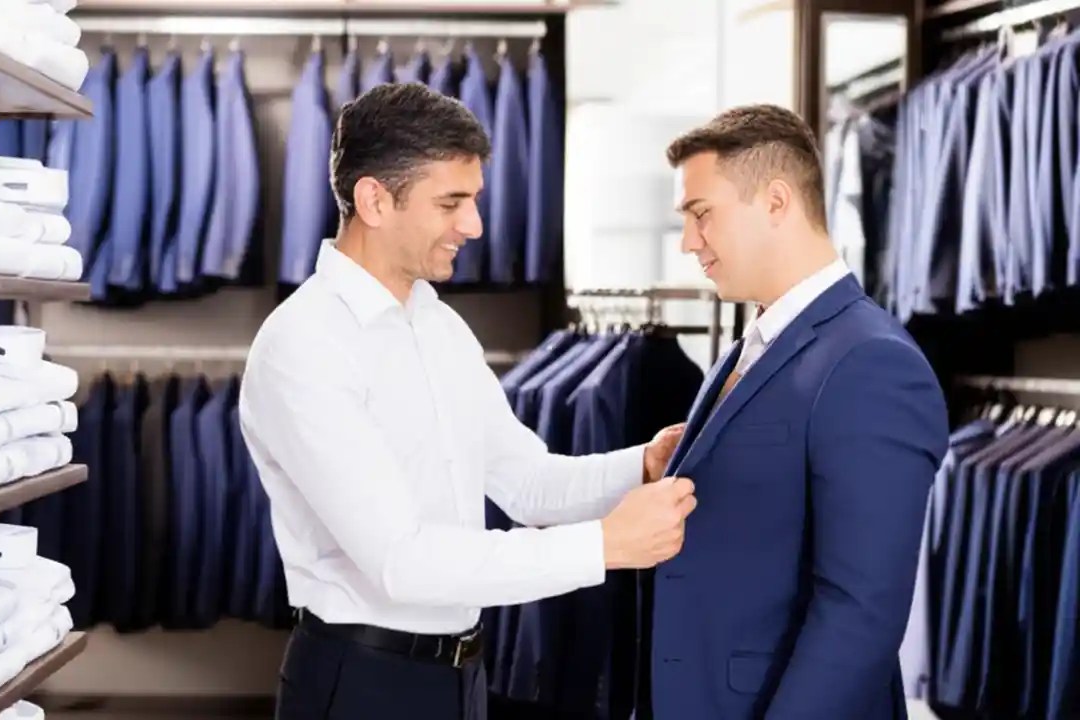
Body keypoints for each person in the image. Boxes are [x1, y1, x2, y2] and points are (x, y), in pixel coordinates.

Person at [238, 83, 698, 720]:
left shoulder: (440, 327)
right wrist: (605, 545)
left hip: (462, 681)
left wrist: (641, 464)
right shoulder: (304, 346)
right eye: (451, 202)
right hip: (364, 687)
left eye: (474, 201)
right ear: (374, 199)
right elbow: (403, 560)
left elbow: (528, 483)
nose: (475, 226)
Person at [641, 103, 950, 719]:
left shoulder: (872, 362)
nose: (687, 242)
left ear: (776, 202)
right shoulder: (753, 346)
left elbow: (860, 612)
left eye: (701, 215)